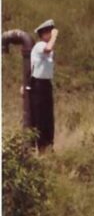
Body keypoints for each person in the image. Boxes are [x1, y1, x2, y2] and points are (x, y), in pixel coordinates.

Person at [29, 19, 57, 151]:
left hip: (46, 84)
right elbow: (48, 48)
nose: (51, 34)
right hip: (38, 85)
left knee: (48, 118)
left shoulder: (48, 49)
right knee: (39, 118)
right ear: (44, 33)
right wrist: (55, 36)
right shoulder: (40, 45)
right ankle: (39, 147)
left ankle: (48, 146)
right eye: (50, 32)